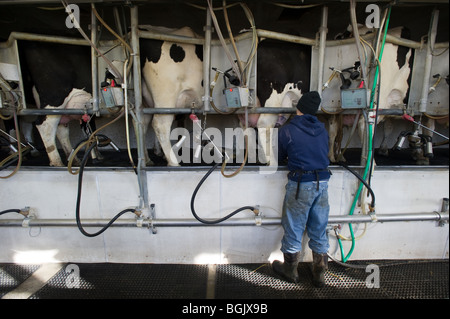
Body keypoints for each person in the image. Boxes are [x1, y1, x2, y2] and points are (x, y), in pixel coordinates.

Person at [272, 91, 331, 288]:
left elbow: (277, 157)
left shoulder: (288, 130)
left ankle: (290, 271)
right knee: (319, 227)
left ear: (299, 108)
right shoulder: (323, 130)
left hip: (301, 184)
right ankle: (319, 273)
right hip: (322, 183)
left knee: (294, 226)